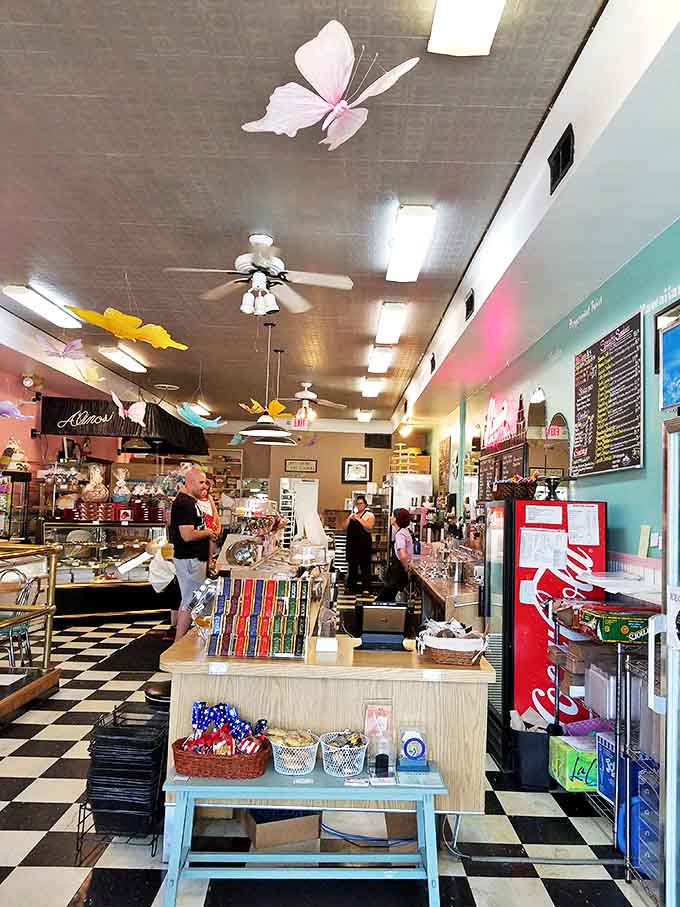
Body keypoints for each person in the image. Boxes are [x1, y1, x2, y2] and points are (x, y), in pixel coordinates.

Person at [169, 467, 217, 640]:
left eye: (205, 482)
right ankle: (179, 642)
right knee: (191, 601)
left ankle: (186, 638)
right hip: (189, 558)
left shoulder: (191, 502)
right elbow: (187, 535)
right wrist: (207, 532)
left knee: (192, 600)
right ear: (189, 483)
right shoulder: (184, 504)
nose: (204, 486)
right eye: (201, 482)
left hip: (195, 558)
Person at [375, 508, 414, 602]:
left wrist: (406, 569)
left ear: (396, 519)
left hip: (398, 572)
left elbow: (402, 555)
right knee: (388, 599)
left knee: (382, 601)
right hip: (397, 571)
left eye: (392, 516)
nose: (390, 518)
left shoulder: (400, 534)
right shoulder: (404, 532)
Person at [342, 495, 375, 596]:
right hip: (352, 546)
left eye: (361, 503)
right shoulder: (353, 515)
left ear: (365, 504)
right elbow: (344, 527)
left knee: (365, 567)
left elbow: (369, 526)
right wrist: (349, 518)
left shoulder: (369, 515)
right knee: (352, 567)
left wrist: (358, 519)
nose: (359, 505)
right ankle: (351, 588)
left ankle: (366, 589)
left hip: (364, 546)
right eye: (357, 504)